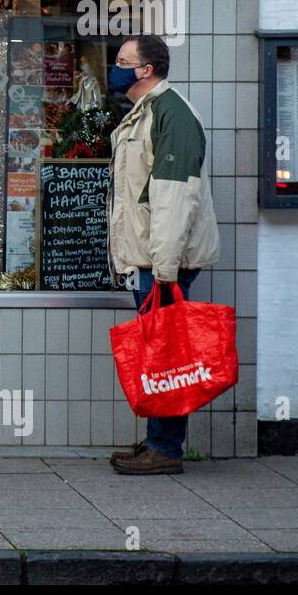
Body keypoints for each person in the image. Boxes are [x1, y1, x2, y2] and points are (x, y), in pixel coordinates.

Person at [107, 34, 220, 475]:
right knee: (159, 351)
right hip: (151, 261)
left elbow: (175, 198)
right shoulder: (149, 111)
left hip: (162, 265)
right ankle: (159, 440)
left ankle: (166, 450)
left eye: (123, 60)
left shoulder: (171, 113)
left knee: (167, 353)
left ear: (146, 69)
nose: (115, 67)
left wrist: (166, 269)